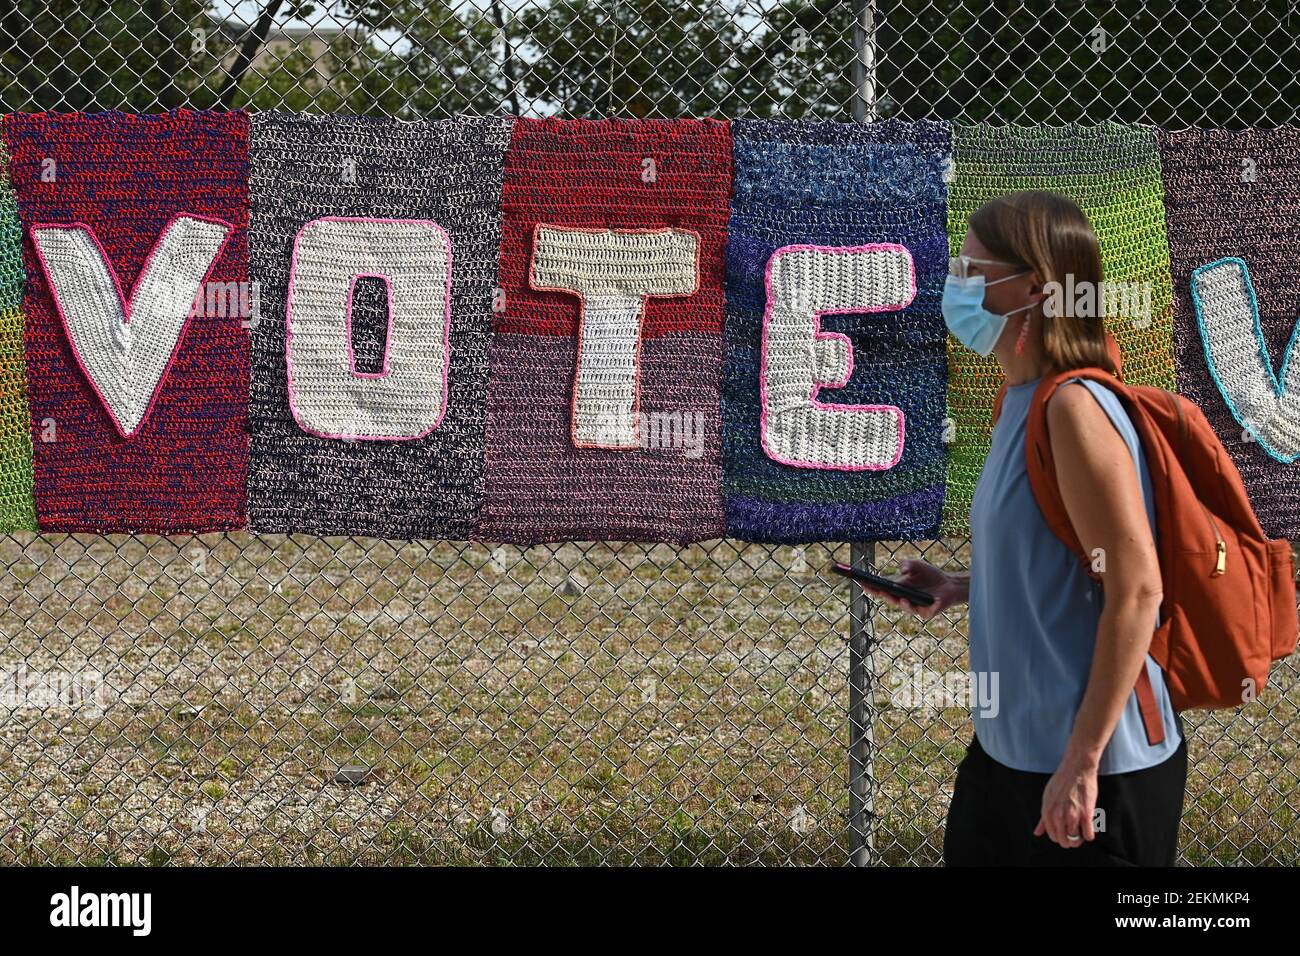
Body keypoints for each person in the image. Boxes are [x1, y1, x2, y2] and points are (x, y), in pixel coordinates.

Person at [856, 190, 1187, 866]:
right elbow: (1064, 561)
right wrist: (960, 586)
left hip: (1095, 771)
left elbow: (1137, 590)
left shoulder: (1075, 408)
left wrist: (1081, 763)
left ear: (1034, 288)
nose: (955, 287)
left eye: (971, 272)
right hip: (1008, 757)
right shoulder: (1019, 400)